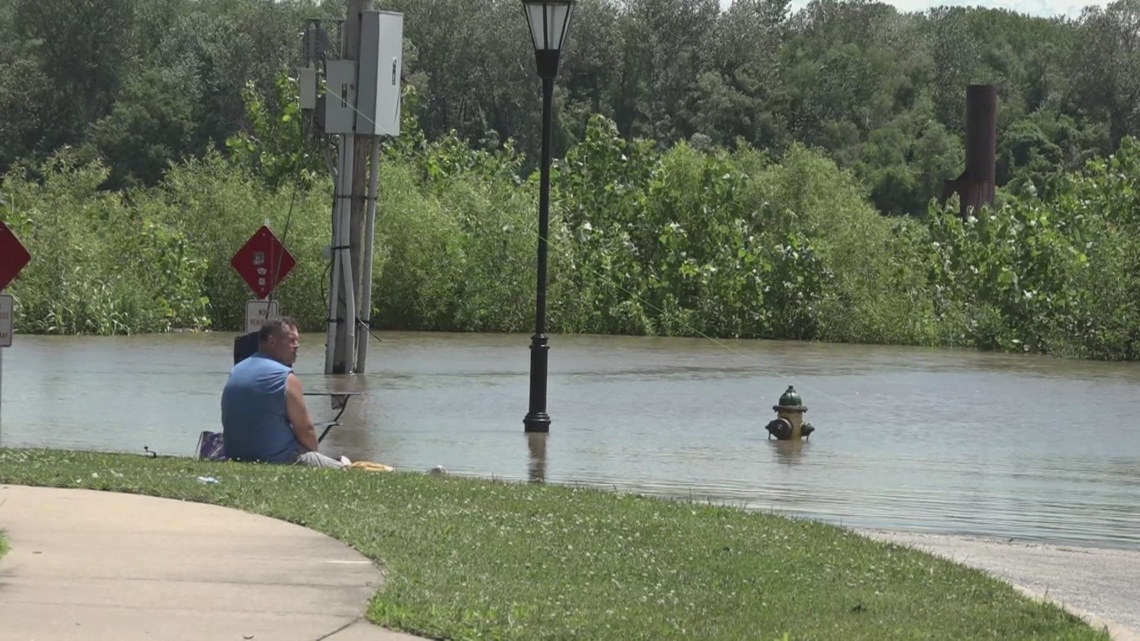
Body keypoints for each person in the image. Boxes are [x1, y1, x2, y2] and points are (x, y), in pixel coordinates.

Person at [221, 317, 344, 469]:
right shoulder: (285, 377)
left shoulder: (236, 370)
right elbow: (306, 430)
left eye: (297, 341)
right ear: (272, 341)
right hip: (278, 458)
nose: (297, 345)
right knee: (346, 469)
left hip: (235, 455)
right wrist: (315, 457)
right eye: (291, 340)